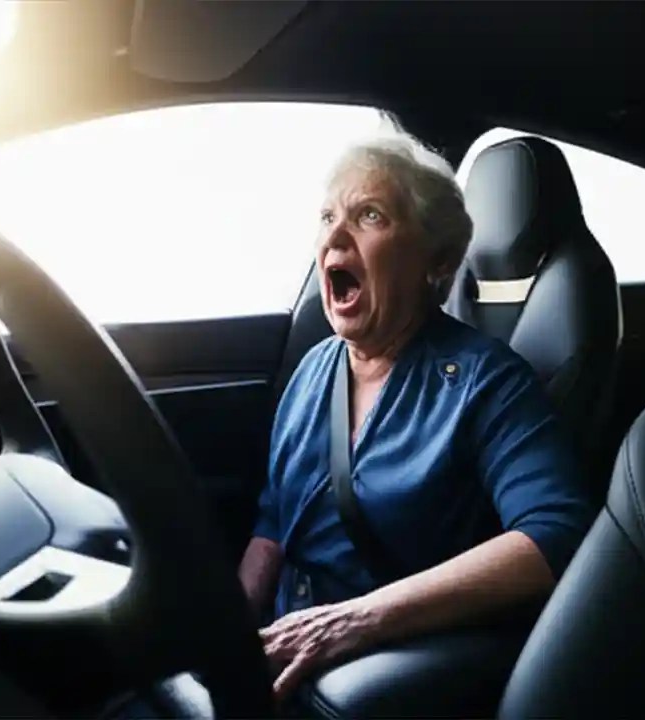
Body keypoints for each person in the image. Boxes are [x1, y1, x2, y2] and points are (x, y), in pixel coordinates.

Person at [239, 130, 594, 702]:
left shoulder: (486, 381)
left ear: (438, 260)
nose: (334, 235)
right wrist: (229, 640)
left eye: (369, 215)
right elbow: (274, 523)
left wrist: (354, 621)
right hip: (284, 656)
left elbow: (556, 536)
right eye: (328, 215)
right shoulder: (313, 370)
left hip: (382, 666)